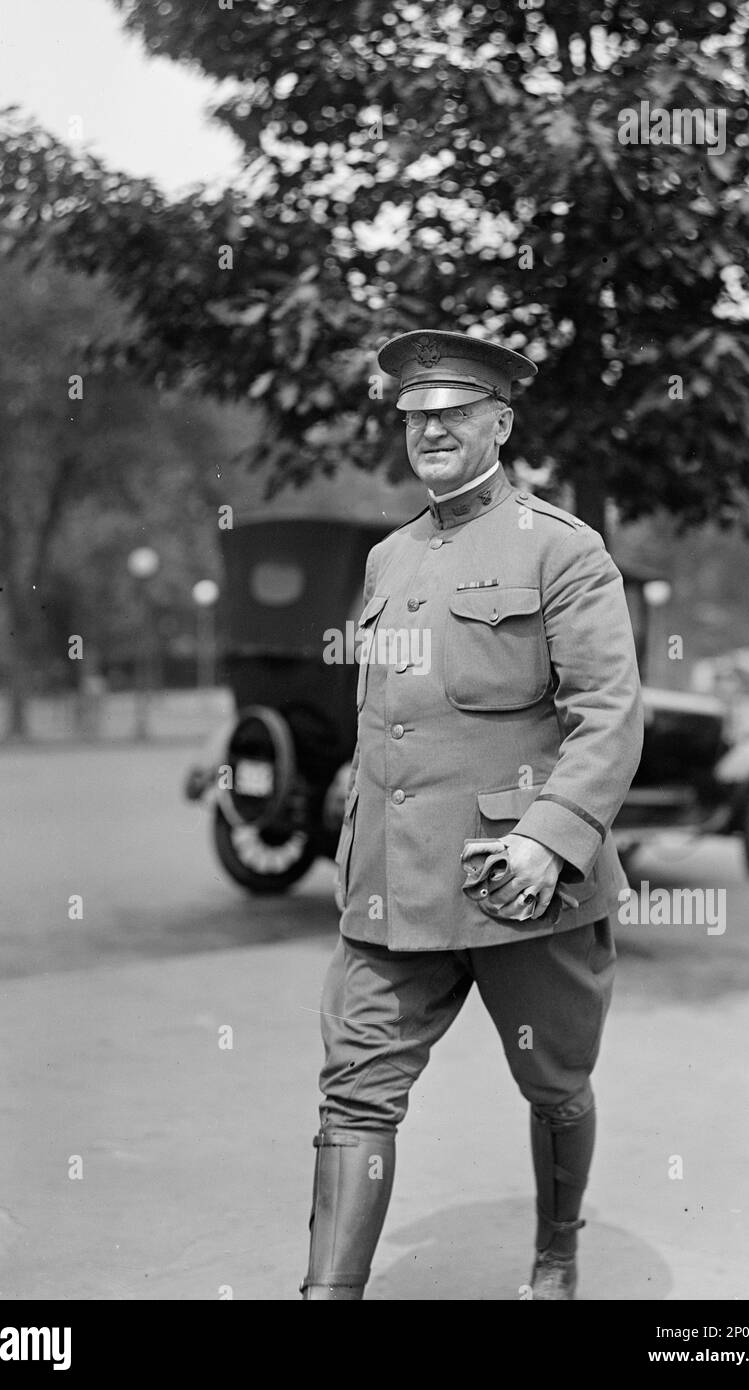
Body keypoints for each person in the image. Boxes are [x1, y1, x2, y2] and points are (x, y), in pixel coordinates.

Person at [300, 330, 644, 1300]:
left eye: (453, 413)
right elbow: (389, 717)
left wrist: (549, 838)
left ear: (500, 421)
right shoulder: (386, 559)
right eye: (415, 416)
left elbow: (608, 715)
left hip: (517, 886)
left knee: (556, 1084)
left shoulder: (562, 550)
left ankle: (556, 1252)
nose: (432, 430)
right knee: (354, 1091)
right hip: (392, 885)